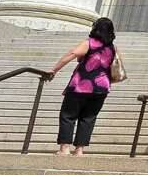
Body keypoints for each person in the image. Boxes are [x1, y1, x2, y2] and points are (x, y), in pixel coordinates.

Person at [48, 17, 118, 156]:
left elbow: (72, 54)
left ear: (95, 28)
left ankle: (64, 148)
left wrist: (54, 69)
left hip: (81, 85)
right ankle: (79, 150)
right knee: (88, 118)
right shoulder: (113, 48)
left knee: (68, 115)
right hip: (101, 88)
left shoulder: (89, 43)